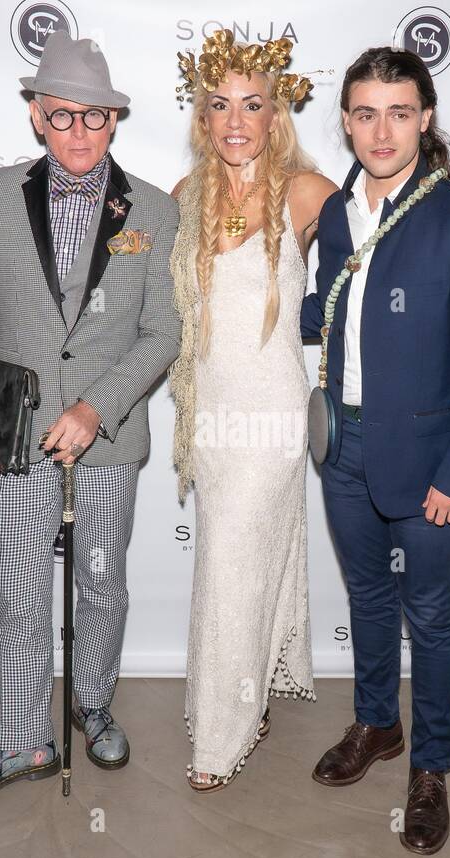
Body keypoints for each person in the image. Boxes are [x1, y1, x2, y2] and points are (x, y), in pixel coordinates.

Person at [0, 30, 181, 800]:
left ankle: (93, 703)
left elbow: (164, 331)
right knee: (20, 595)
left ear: (116, 122)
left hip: (107, 438)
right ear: (37, 116)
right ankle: (21, 742)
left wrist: (95, 406)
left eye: (96, 118)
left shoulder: (154, 208)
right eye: (63, 116)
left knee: (102, 585)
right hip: (14, 437)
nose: (80, 133)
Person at [300, 47, 450, 853]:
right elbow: (328, 313)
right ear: (348, 122)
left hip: (430, 459)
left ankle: (429, 768)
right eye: (364, 112)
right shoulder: (335, 214)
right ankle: (375, 723)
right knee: (367, 596)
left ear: (425, 119)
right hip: (345, 445)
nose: (381, 129)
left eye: (399, 111)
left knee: (429, 615)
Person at [167, 30, 337, 791]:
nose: (235, 120)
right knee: (225, 557)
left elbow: (358, 283)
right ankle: (251, 690)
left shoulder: (306, 190)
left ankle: (221, 735)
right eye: (219, 105)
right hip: (206, 414)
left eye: (252, 105)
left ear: (276, 115)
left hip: (270, 415)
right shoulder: (183, 195)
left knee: (234, 561)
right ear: (203, 117)